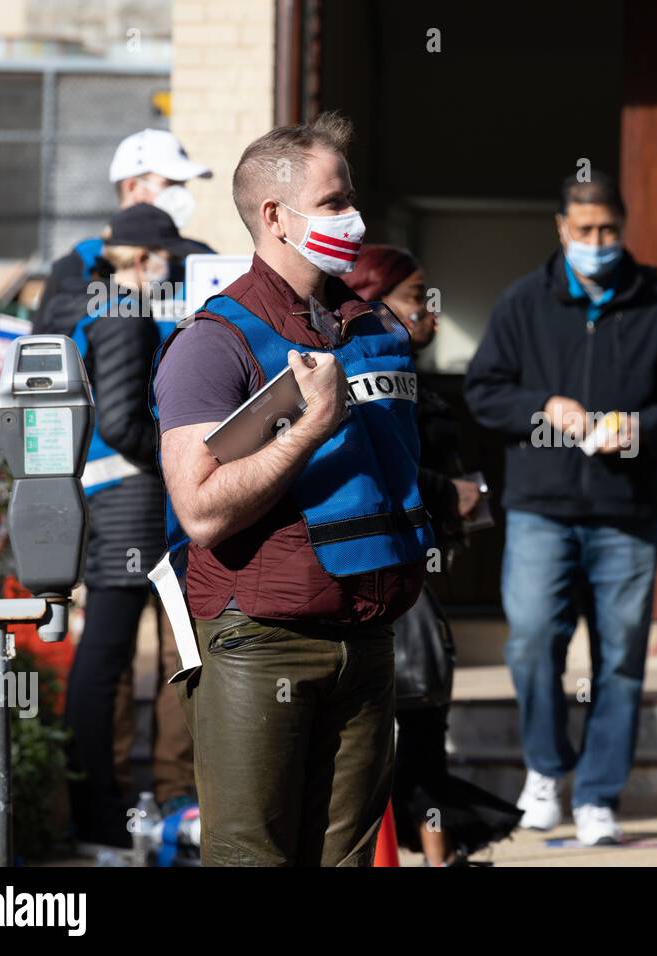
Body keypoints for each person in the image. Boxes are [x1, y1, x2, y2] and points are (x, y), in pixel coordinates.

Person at [150, 112, 432, 866]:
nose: (354, 217)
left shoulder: (372, 325)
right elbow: (201, 512)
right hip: (260, 639)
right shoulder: (215, 342)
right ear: (276, 216)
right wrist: (306, 431)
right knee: (254, 858)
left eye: (349, 198)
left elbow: (388, 467)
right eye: (335, 202)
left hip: (368, 635)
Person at [463, 172, 657, 846]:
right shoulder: (523, 302)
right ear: (561, 229)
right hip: (542, 507)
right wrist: (543, 406)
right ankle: (545, 771)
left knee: (621, 657)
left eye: (607, 232)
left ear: (622, 229)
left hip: (625, 512)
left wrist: (639, 429)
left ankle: (600, 794)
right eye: (584, 231)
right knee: (532, 641)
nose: (596, 243)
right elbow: (484, 390)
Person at [346, 245, 521, 866]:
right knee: (406, 725)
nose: (433, 315)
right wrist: (450, 493)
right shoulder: (361, 383)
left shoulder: (411, 383)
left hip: (415, 572)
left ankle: (440, 855)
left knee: (423, 730)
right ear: (372, 300)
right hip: (377, 580)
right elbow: (372, 476)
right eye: (418, 298)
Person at [64, 203, 199, 849]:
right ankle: (100, 815)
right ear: (142, 260)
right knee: (110, 660)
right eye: (167, 257)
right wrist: (184, 456)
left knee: (109, 659)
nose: (172, 268)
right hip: (131, 504)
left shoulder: (100, 310)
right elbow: (121, 420)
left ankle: (104, 813)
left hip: (116, 501)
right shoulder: (125, 315)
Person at [36, 129, 213, 337]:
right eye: (170, 184)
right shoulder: (79, 265)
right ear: (132, 187)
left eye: (183, 185)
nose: (181, 194)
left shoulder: (201, 262)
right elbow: (43, 355)